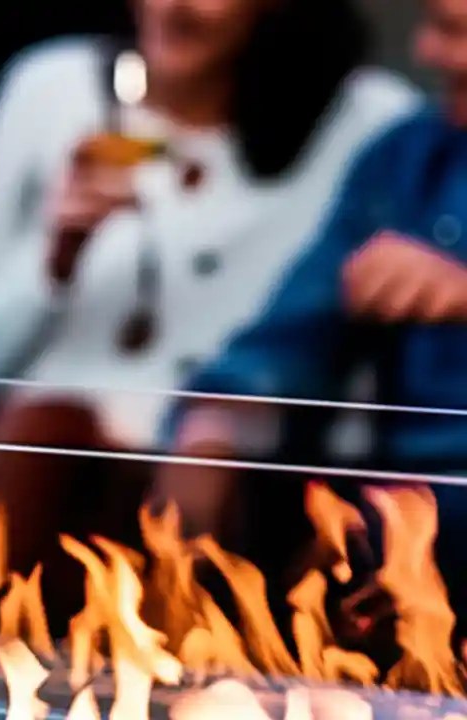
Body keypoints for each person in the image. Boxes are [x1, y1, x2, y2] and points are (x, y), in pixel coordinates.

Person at [0, 0, 418, 621]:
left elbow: (352, 353)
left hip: (245, 475)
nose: (172, 6)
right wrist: (53, 259)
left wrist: (214, 431)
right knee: (44, 429)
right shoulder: (49, 89)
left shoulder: (367, 120)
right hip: (51, 471)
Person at [162, 0, 467, 544]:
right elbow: (294, 330)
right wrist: (215, 422)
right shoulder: (405, 155)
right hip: (404, 515)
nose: (427, 52)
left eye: (455, 31)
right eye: (430, 25)